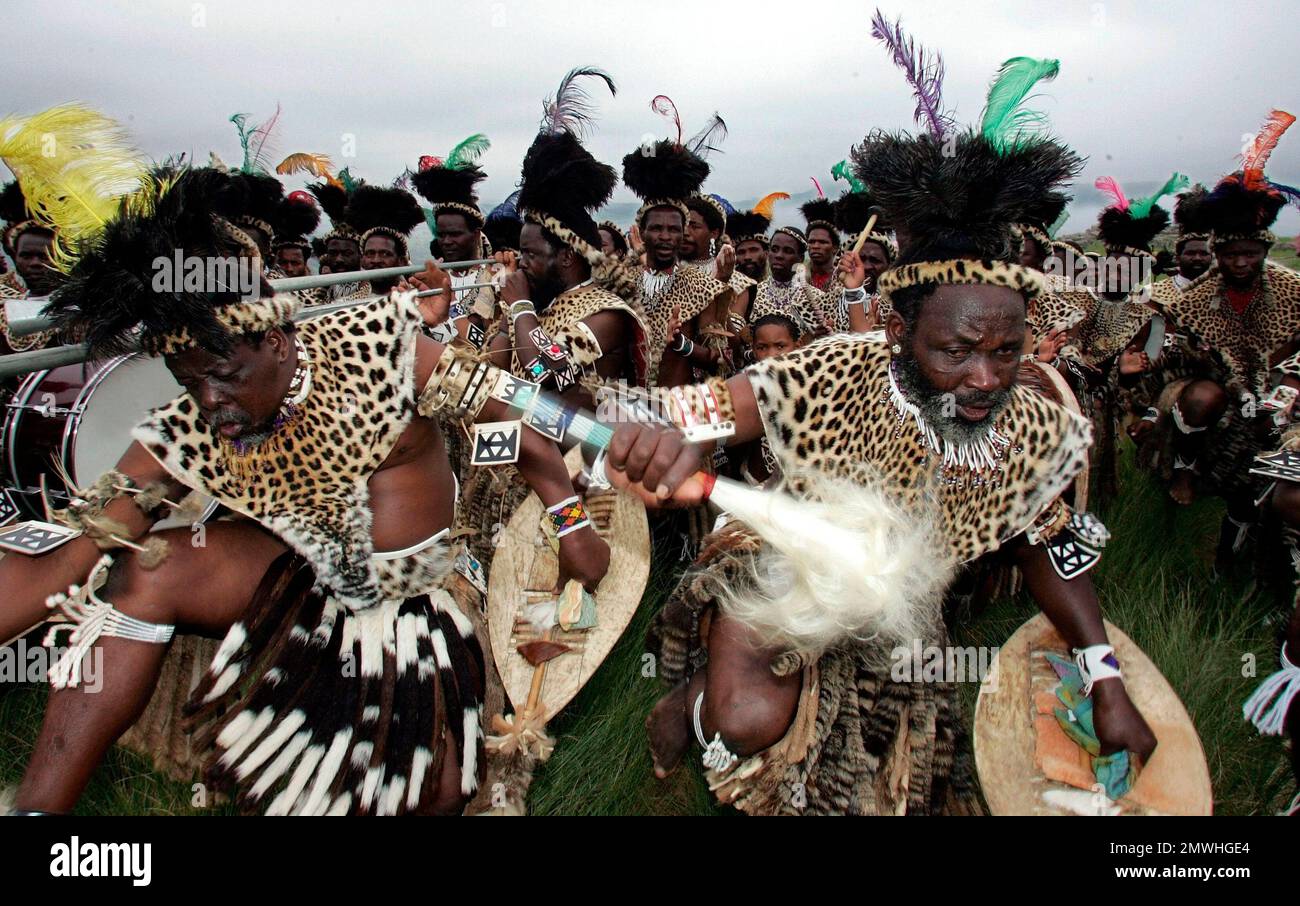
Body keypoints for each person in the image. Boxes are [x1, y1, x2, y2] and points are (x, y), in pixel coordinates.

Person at [607, 67, 1155, 816]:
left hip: (901, 594)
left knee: (875, 783)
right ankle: (695, 707)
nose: (984, 379)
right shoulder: (837, 366)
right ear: (899, 332)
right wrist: (665, 433)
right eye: (956, 351)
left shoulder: (1032, 423)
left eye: (1006, 351)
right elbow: (714, 406)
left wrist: (1106, 678)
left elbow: (1043, 545)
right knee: (750, 720)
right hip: (779, 551)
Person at [1, 163, 608, 816]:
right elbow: (79, 553)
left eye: (227, 375)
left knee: (430, 795)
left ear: (276, 339)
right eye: (189, 382)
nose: (211, 402)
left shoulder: (386, 355)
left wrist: (572, 524)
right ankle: (40, 808)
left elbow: (521, 427)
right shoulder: (189, 423)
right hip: (297, 576)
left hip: (409, 594)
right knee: (147, 567)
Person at [621, 104, 734, 387]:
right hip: (628, 403)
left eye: (673, 229)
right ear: (642, 232)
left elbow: (720, 359)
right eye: (656, 228)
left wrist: (684, 346)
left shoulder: (702, 287)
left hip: (679, 406)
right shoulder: (622, 281)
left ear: (683, 232)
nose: (665, 236)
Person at [410, 136, 501, 344]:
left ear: (476, 233)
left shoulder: (494, 278)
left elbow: (482, 343)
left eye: (455, 234)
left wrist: (450, 305)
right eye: (441, 235)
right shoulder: (431, 278)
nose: (447, 241)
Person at [270, 190, 320, 279]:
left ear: (305, 262)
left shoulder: (319, 289)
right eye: (283, 263)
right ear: (273, 261)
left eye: (295, 263)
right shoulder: (260, 289)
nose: (289, 269)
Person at [799, 196, 840, 292]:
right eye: (811, 242)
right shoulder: (797, 279)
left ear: (835, 247)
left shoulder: (844, 280)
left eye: (823, 242)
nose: (816, 246)